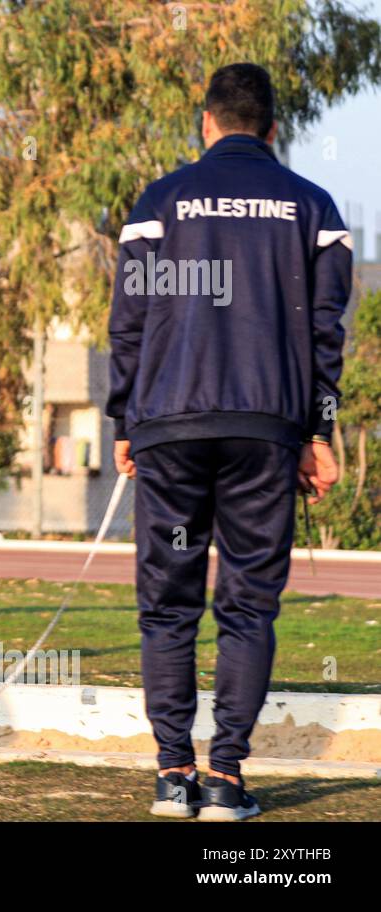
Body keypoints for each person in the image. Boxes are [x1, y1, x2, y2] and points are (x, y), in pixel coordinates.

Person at [108, 63, 350, 821]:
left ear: (205, 123)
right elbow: (324, 334)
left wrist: (125, 421)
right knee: (248, 606)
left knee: (168, 605)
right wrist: (318, 430)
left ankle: (172, 774)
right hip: (264, 433)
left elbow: (129, 323)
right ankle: (226, 780)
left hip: (171, 429)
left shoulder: (159, 202)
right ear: (273, 130)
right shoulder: (314, 207)